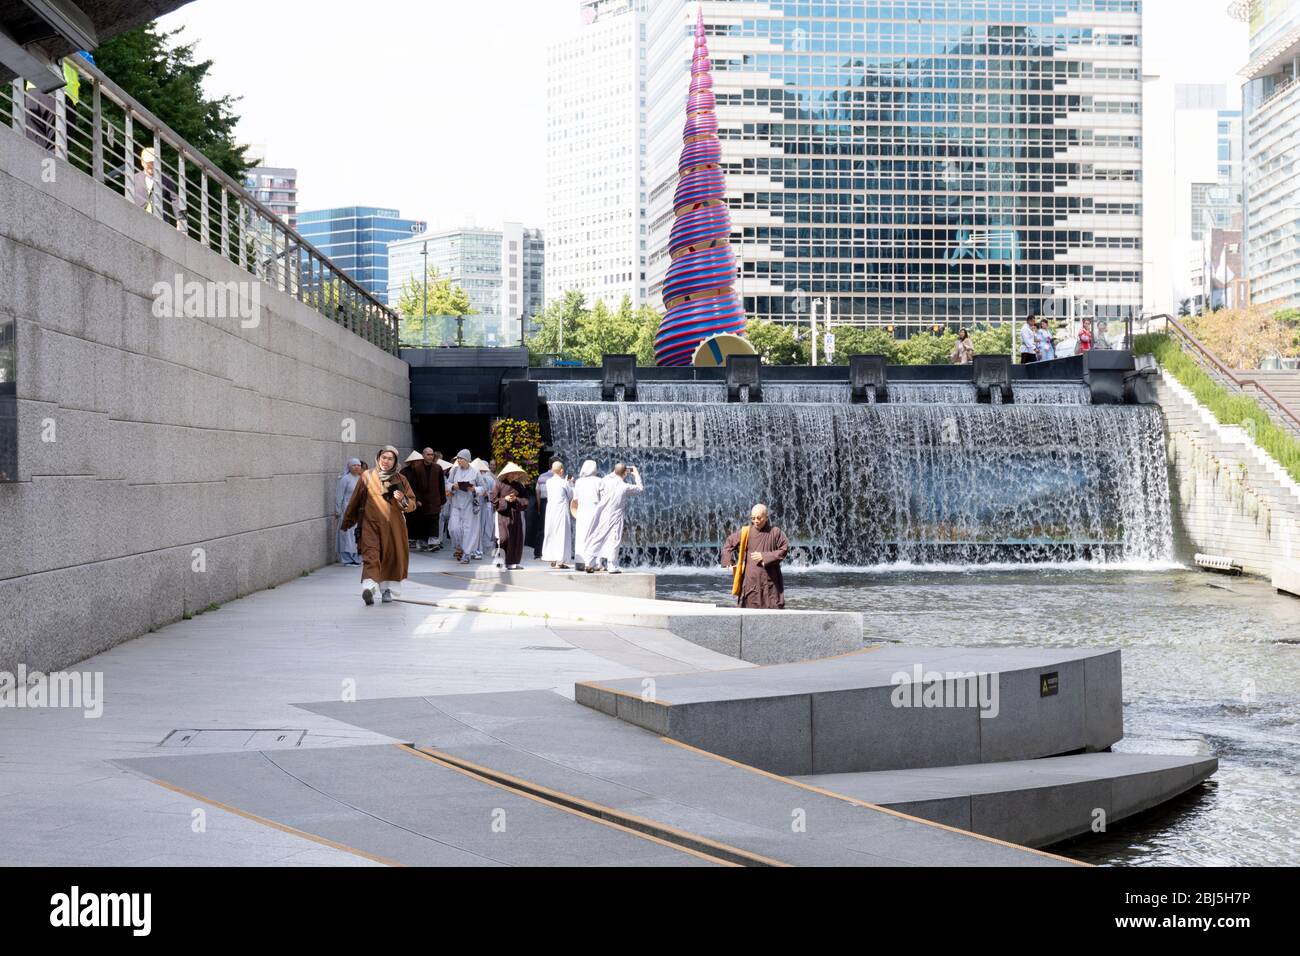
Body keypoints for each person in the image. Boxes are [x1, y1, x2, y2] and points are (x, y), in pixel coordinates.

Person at [339, 446, 417, 605]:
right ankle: (368, 588)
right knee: (371, 555)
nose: (386, 461)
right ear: (378, 458)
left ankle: (386, 590)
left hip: (393, 528)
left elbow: (412, 504)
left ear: (395, 461)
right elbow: (355, 500)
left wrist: (402, 499)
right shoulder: (367, 476)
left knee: (390, 557)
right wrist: (347, 521)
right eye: (384, 458)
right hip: (370, 525)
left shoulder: (401, 480)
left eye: (390, 459)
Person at [721, 503, 790, 609]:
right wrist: (729, 562)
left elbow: (784, 549)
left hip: (770, 583)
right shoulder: (746, 532)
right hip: (750, 583)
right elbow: (729, 543)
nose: (756, 521)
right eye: (753, 518)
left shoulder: (775, 532)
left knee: (772, 614)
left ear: (766, 517)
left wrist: (765, 556)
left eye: (759, 518)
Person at [585, 463, 645, 574]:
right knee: (614, 540)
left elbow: (610, 477)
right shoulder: (624, 486)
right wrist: (636, 474)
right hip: (616, 516)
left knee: (598, 537)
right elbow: (640, 489)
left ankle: (589, 562)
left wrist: (617, 471)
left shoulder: (605, 480)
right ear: (625, 473)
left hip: (603, 514)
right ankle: (611, 566)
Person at [445, 450, 488, 564]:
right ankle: (459, 547)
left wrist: (474, 489)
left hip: (469, 505)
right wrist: (453, 486)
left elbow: (483, 488)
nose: (459, 460)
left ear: (467, 460)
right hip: (456, 503)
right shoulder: (454, 471)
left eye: (461, 458)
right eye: (458, 458)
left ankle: (467, 554)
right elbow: (447, 484)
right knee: (453, 528)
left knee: (468, 530)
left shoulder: (475, 472)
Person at [401, 448, 446, 552]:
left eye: (432, 455)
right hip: (422, 500)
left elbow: (441, 485)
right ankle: (424, 542)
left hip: (435, 499)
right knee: (423, 521)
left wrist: (442, 500)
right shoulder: (417, 468)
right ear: (423, 455)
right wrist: (416, 499)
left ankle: (434, 542)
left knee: (434, 519)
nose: (430, 457)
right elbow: (414, 486)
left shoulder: (438, 468)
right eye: (428, 454)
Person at [132, 146, 185, 229]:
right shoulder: (134, 178)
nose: (151, 165)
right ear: (142, 162)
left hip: (160, 222)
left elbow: (175, 199)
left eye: (153, 162)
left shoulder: (166, 179)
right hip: (137, 220)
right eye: (149, 162)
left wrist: (181, 219)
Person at [491, 462, 530, 570]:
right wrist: (505, 500)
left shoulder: (519, 486)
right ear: (507, 474)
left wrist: (516, 499)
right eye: (511, 473)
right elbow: (493, 499)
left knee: (516, 538)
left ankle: (513, 562)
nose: (513, 475)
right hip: (502, 515)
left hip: (515, 515)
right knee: (503, 538)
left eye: (515, 473)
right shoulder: (499, 484)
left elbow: (526, 500)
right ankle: (499, 560)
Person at [541, 460, 575, 569]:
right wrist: (571, 483)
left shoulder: (548, 482)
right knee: (561, 534)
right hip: (561, 510)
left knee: (551, 533)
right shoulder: (564, 482)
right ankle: (560, 561)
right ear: (561, 470)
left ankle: (552, 558)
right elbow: (571, 495)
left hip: (551, 510)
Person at [571, 460, 603, 572]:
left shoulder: (579, 482)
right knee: (595, 536)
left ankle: (581, 562)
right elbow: (603, 497)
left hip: (582, 511)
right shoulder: (599, 481)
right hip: (594, 510)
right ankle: (595, 562)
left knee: (581, 535)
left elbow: (575, 499)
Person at [334, 458, 364, 566]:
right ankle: (347, 559)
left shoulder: (361, 479)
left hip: (359, 510)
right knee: (346, 534)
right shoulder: (344, 479)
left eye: (358, 465)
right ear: (349, 467)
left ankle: (357, 558)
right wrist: (338, 510)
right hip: (346, 509)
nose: (356, 467)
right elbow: (339, 495)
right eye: (354, 465)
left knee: (356, 534)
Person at [473, 458, 496, 559]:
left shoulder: (484, 478)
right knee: (485, 527)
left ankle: (478, 549)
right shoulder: (489, 478)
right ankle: (481, 548)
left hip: (481, 506)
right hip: (485, 506)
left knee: (479, 528)